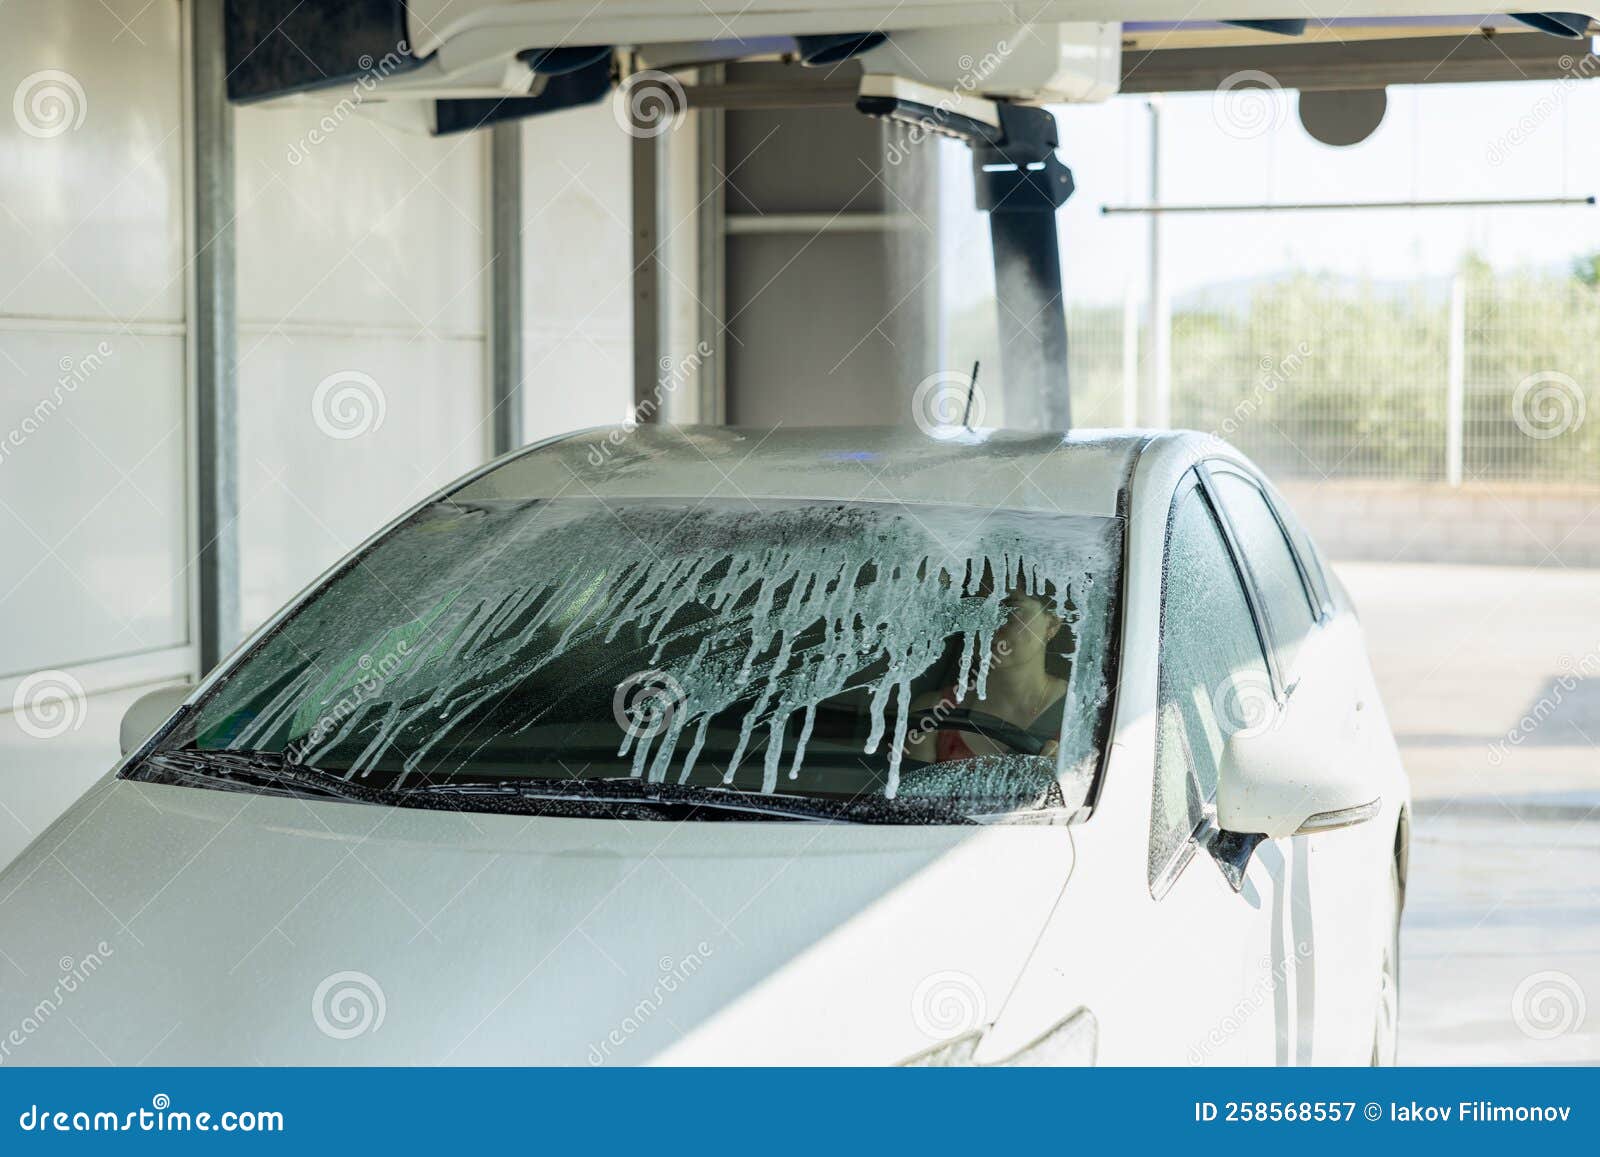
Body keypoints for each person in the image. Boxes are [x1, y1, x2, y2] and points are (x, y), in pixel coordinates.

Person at [902, 585, 1068, 764]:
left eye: (1010, 610)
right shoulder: (933, 711)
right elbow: (913, 790)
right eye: (975, 609)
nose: (989, 625)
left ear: (1052, 624)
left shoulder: (1083, 716)